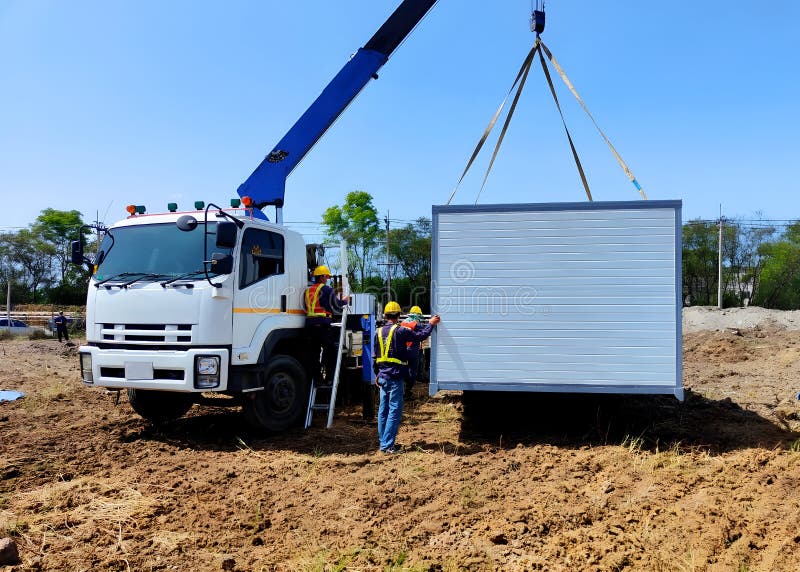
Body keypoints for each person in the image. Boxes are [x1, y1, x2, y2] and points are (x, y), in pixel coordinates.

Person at [373, 301, 440, 454]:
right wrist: (431, 323)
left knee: (383, 410)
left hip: (383, 376)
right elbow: (421, 335)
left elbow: (374, 355)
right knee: (394, 411)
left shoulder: (378, 331)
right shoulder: (401, 331)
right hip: (395, 376)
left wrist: (377, 374)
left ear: (385, 315)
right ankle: (387, 446)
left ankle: (383, 442)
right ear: (398, 315)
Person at [304, 265, 350, 385]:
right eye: (327, 277)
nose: (327, 279)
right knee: (330, 352)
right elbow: (336, 305)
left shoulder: (308, 290)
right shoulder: (326, 289)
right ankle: (329, 378)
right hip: (323, 326)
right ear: (322, 277)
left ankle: (318, 379)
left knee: (313, 355)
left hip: (309, 326)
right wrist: (345, 301)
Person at [400, 305, 425, 398]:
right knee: (413, 372)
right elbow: (425, 332)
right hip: (413, 350)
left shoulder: (403, 323)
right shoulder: (416, 324)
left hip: (403, 350)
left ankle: (401, 390)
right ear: (417, 315)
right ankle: (408, 391)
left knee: (403, 370)